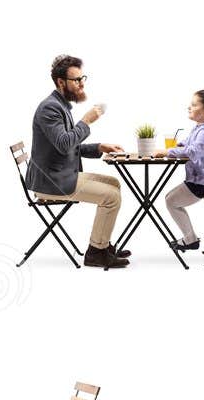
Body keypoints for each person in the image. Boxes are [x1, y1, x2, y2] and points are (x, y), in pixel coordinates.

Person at [27, 54, 129, 270]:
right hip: (51, 181)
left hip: (60, 174)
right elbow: (65, 144)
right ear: (60, 82)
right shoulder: (50, 108)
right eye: (76, 80)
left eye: (83, 78)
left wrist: (99, 147)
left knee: (114, 184)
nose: (82, 83)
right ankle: (95, 253)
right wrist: (86, 120)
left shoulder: (61, 106)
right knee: (111, 197)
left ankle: (103, 244)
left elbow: (66, 146)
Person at [163, 89, 204, 252]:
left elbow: (194, 151)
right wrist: (178, 146)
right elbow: (189, 144)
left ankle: (190, 240)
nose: (189, 107)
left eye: (194, 105)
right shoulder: (202, 127)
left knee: (171, 201)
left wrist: (167, 152)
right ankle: (190, 238)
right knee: (170, 198)